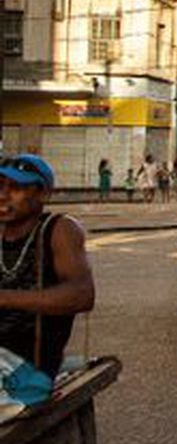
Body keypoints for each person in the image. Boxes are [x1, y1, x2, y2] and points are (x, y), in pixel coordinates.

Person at [0, 155, 95, 377]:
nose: (3, 196)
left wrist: (4, 298)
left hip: (29, 366)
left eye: (16, 188)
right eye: (0, 186)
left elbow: (82, 294)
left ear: (43, 193)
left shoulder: (59, 229)